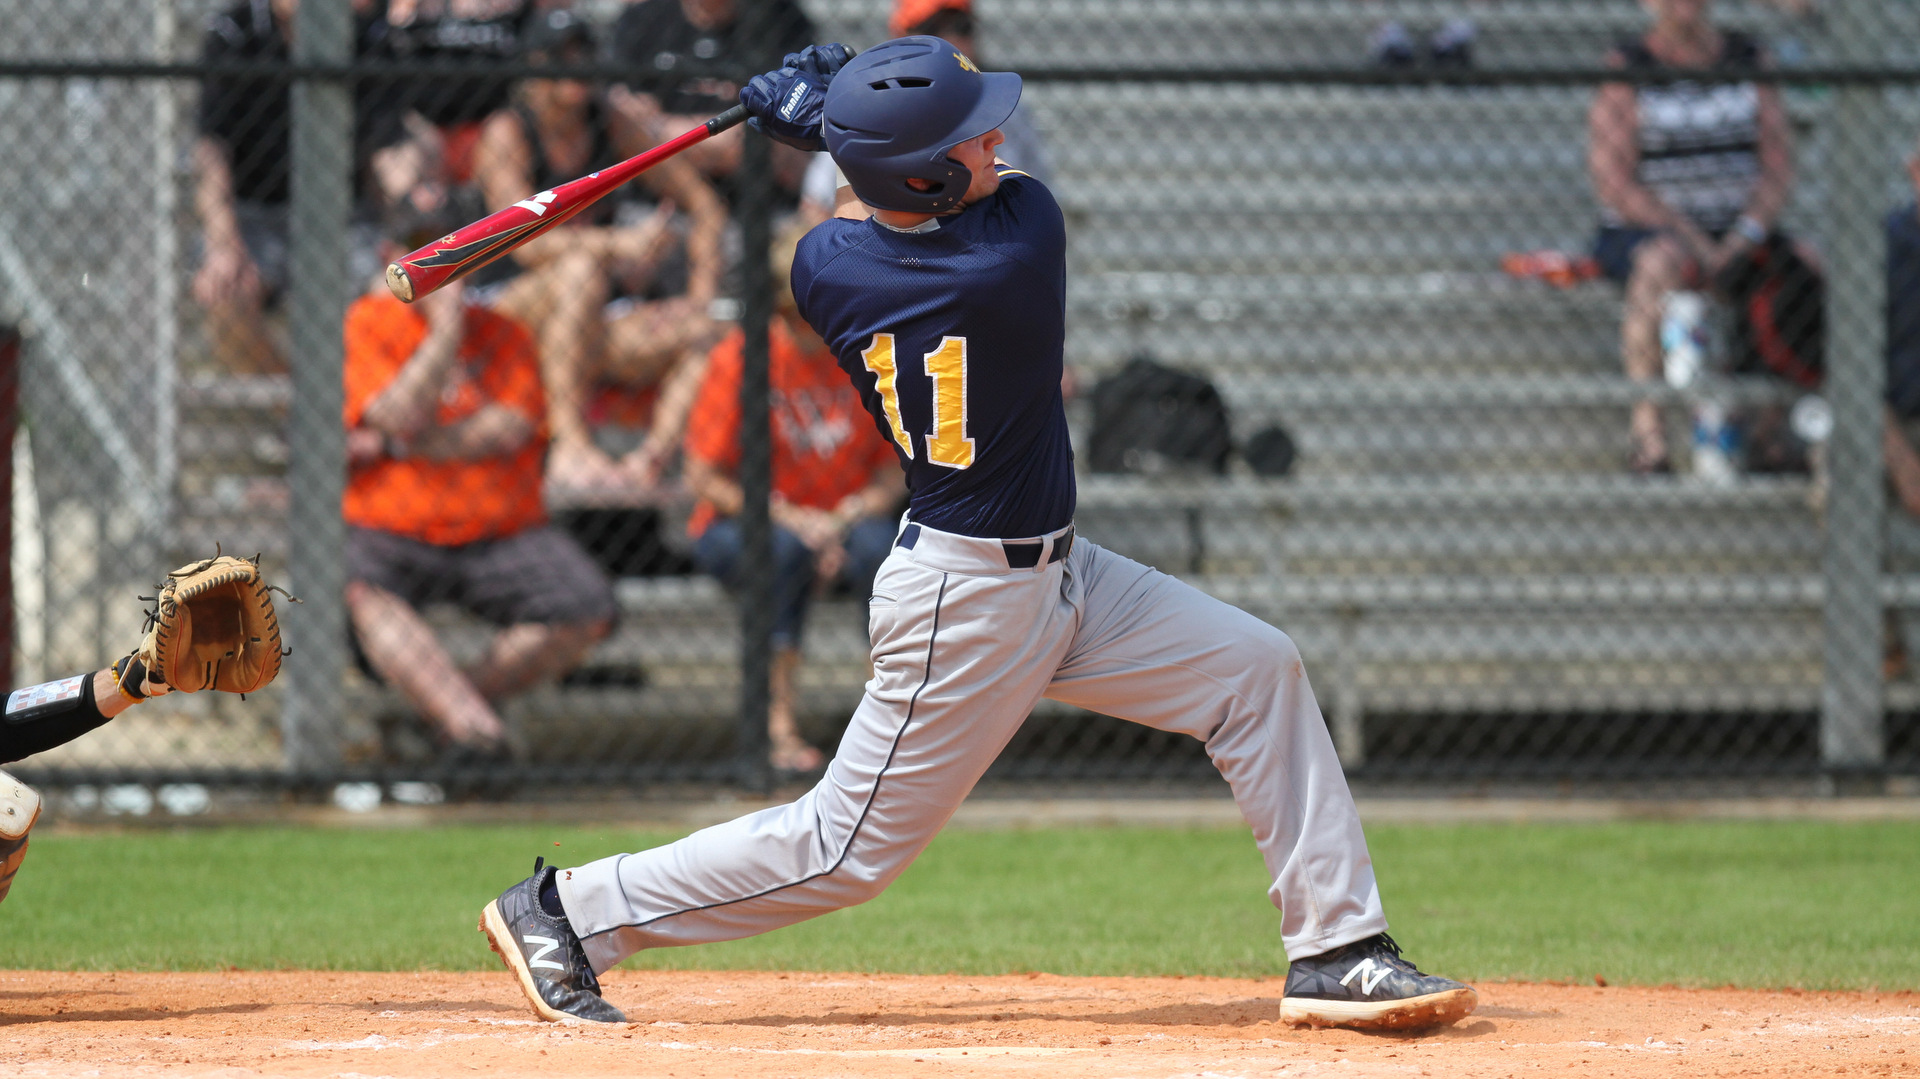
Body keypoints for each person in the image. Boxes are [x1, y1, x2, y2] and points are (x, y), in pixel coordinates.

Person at [478, 38, 1477, 1032]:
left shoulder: (830, 268)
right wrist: (833, 115)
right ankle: (567, 910)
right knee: (841, 849)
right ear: (925, 172)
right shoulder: (1017, 249)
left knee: (1256, 669)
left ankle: (1337, 948)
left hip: (1062, 574)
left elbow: (844, 217)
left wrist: (831, 128)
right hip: (968, 600)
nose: (994, 142)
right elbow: (934, 190)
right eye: (970, 136)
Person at [344, 200, 617, 761]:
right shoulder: (369, 323)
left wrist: (411, 442)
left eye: (453, 253)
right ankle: (477, 736)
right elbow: (392, 415)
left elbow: (512, 426)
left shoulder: (506, 334)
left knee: (587, 605)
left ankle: (451, 712)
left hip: (503, 529)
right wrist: (443, 331)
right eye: (424, 253)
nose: (440, 267)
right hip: (392, 525)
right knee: (359, 585)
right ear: (390, 259)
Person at [471, 8, 728, 491]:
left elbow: (705, 206)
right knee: (580, 268)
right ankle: (569, 445)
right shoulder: (507, 132)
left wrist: (697, 298)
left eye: (584, 53)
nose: (576, 67)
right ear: (535, 66)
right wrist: (617, 244)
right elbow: (521, 244)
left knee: (707, 333)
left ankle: (647, 463)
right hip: (509, 307)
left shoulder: (609, 120)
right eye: (562, 56)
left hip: (592, 318)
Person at [682, 225, 905, 774]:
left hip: (846, 519)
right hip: (747, 523)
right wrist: (794, 520)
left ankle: (889, 725)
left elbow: (894, 472)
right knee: (781, 553)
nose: (806, 329)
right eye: (792, 316)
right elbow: (704, 478)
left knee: (886, 548)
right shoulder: (740, 359)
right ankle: (775, 725)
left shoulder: (868, 357)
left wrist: (841, 518)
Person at [1588, 0, 1794, 472]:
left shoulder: (1749, 57)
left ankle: (1769, 432)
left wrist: (1744, 234)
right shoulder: (1629, 65)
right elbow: (1614, 180)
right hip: (1651, 228)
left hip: (1737, 225)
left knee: (1802, 262)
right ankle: (1650, 437)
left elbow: (1778, 166)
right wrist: (1689, 237)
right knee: (1658, 265)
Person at [800, 0, 1051, 223]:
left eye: (962, 27)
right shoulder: (871, 114)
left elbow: (1033, 199)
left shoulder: (1008, 108)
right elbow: (814, 207)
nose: (952, 41)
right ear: (900, 38)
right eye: (933, 30)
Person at [608, 0, 815, 184]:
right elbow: (627, 122)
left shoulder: (780, 19)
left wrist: (664, 131)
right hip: (661, 196)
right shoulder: (645, 18)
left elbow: (779, 136)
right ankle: (705, 209)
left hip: (764, 197)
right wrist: (732, 136)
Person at [1881, 138, 1920, 518]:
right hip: (1884, 424)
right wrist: (1901, 459)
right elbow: (1847, 370)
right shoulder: (1880, 246)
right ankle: (1852, 578)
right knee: (1841, 469)